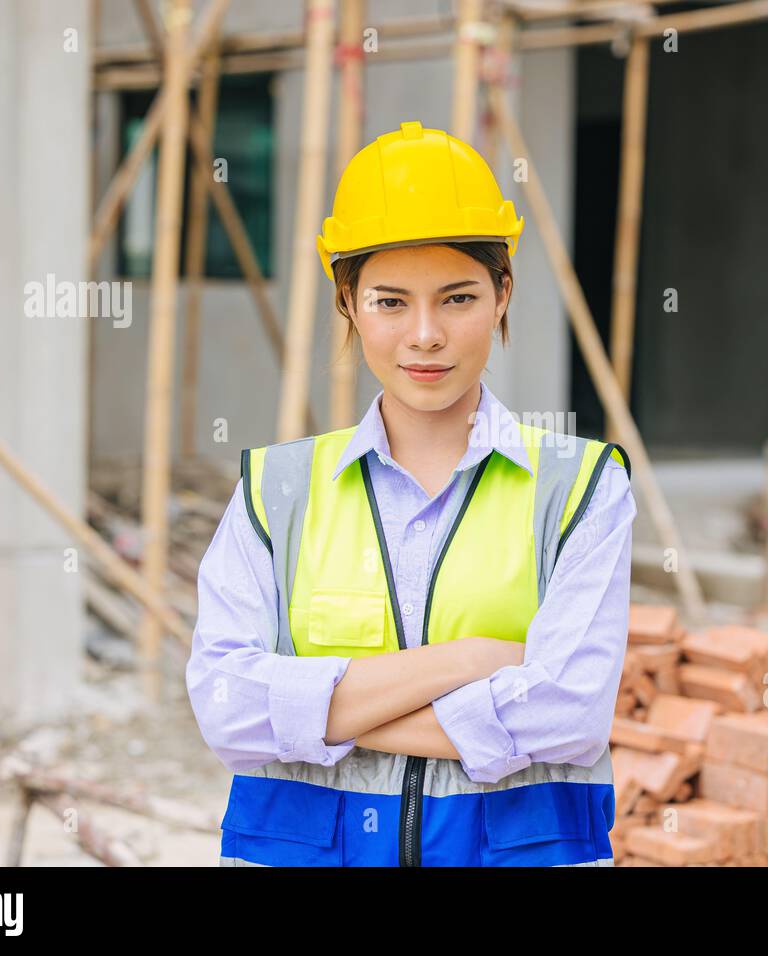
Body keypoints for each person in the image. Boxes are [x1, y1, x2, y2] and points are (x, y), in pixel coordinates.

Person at [186, 120, 636, 866]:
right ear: (348, 302)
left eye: (456, 299)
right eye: (390, 302)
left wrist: (311, 711)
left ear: (502, 295)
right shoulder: (276, 491)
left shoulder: (582, 486)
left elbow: (567, 716)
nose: (424, 336)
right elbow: (226, 708)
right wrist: (471, 660)